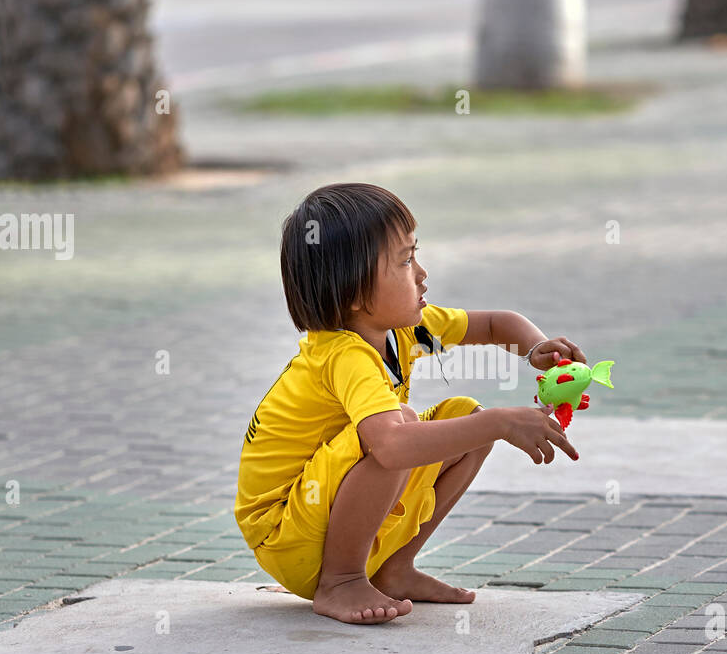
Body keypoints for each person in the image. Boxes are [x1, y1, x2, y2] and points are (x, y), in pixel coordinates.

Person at [235, 182, 585, 625]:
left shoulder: (403, 330)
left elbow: (498, 324)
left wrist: (536, 348)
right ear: (356, 293)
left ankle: (392, 568)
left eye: (415, 254)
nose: (422, 273)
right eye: (404, 260)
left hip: (320, 515)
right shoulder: (343, 354)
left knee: (464, 418)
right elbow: (393, 447)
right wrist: (502, 422)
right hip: (285, 532)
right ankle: (340, 581)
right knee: (398, 432)